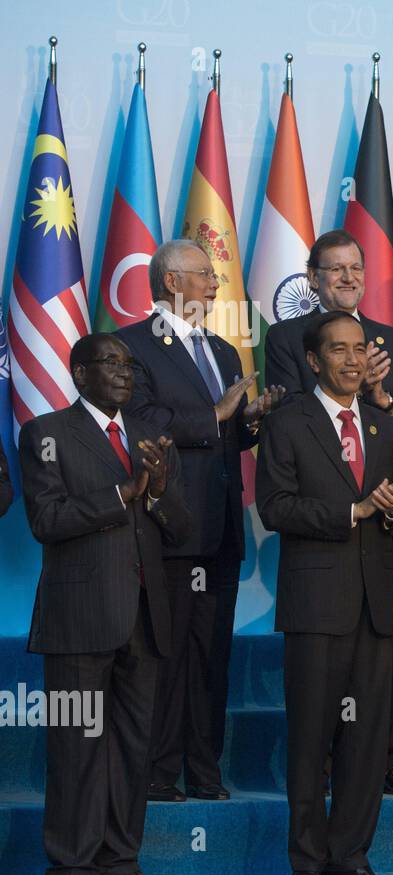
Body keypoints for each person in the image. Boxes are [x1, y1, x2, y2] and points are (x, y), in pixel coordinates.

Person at [256, 311, 393, 875]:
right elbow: (274, 507)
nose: (354, 360)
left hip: (375, 608)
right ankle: (306, 865)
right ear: (312, 361)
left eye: (361, 349)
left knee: (366, 740)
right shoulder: (287, 423)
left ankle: (350, 858)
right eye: (339, 350)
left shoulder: (385, 422)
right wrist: (353, 511)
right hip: (315, 608)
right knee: (311, 739)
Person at [264, 228, 393, 796]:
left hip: (380, 530)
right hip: (323, 526)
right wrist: (354, 391)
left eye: (355, 269)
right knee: (319, 707)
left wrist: (382, 398)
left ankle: (380, 761)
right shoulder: (291, 337)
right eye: (334, 269)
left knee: (377, 686)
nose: (346, 278)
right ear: (313, 278)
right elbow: (293, 412)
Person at [23, 334, 190, 875]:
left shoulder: (150, 439)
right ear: (78, 373)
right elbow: (46, 519)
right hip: (78, 622)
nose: (123, 373)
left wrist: (161, 494)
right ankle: (71, 868)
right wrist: (125, 493)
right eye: (110, 363)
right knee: (77, 746)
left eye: (128, 364)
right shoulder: (45, 434)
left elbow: (181, 526)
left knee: (131, 748)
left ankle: (121, 864)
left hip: (144, 620)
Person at [117, 239, 281, 803]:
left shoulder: (223, 351)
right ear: (170, 282)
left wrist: (251, 420)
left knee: (212, 654)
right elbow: (140, 422)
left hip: (222, 531)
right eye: (204, 275)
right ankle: (159, 772)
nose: (215, 284)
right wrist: (216, 413)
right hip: (170, 527)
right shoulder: (131, 346)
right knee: (166, 652)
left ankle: (204, 770)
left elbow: (227, 438)